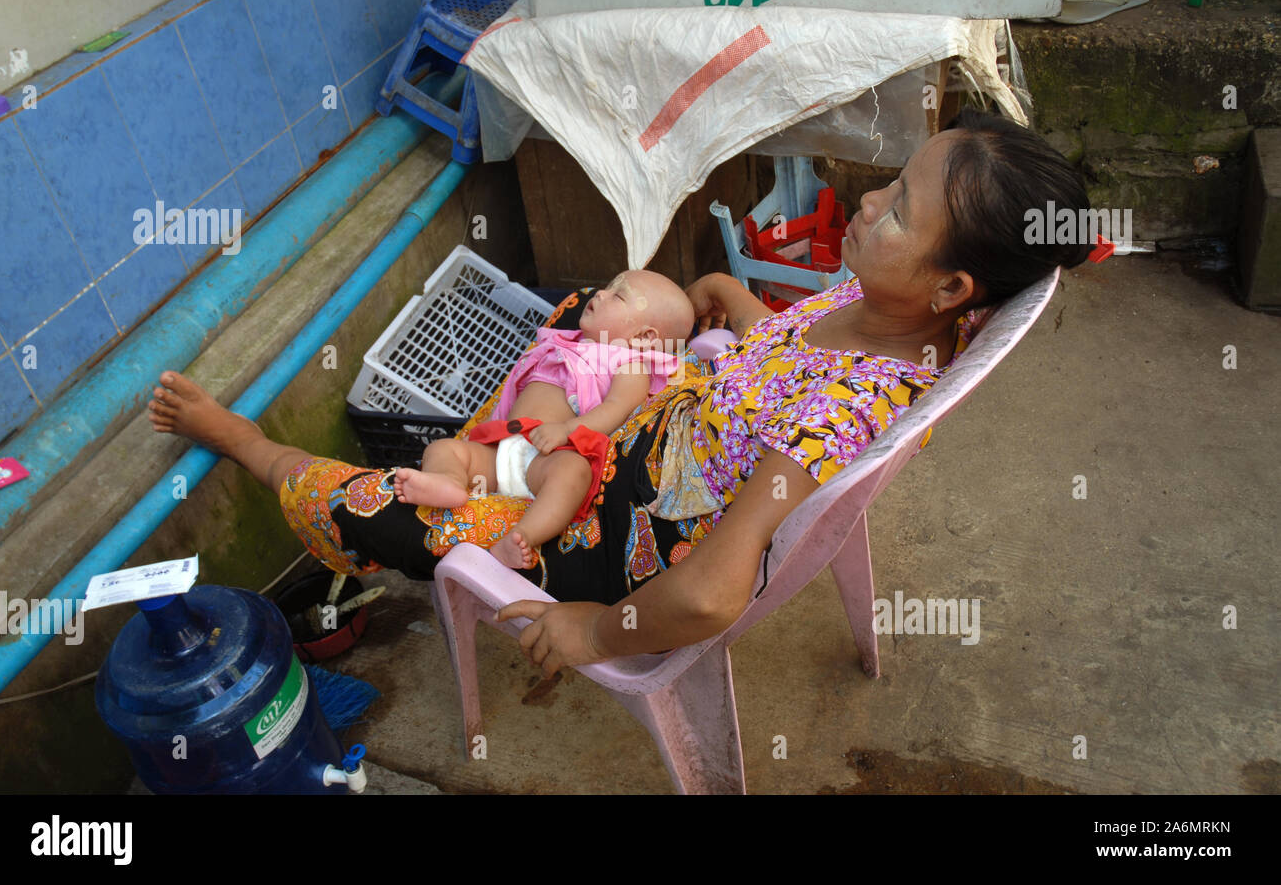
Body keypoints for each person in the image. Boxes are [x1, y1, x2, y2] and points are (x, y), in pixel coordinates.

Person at [146, 108, 1093, 680]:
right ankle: (471, 461)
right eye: (893, 180)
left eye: (900, 209)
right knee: (578, 328)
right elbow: (789, 364)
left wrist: (593, 630)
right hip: (645, 434)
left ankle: (246, 445)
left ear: (955, 290)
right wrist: (732, 301)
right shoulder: (889, 306)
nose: (873, 202)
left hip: (609, 540)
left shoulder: (839, 421)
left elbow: (716, 593)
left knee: (377, 498)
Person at [390, 269, 694, 570]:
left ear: (644, 337)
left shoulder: (631, 366)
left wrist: (567, 430)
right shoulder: (563, 342)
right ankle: (449, 481)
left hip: (548, 459)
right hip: (501, 451)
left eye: (617, 295)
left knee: (573, 474)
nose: (599, 294)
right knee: (443, 449)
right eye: (606, 286)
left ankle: (520, 537)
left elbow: (616, 409)